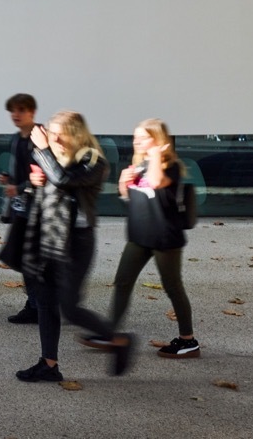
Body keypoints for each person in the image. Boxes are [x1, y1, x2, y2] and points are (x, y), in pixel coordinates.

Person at [16, 110, 132, 381]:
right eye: (51, 131)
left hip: (76, 242)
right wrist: (33, 185)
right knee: (45, 301)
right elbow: (48, 189)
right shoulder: (52, 157)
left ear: (76, 134)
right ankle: (49, 364)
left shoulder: (94, 161)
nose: (53, 137)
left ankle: (118, 340)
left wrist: (44, 152)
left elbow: (65, 180)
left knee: (69, 307)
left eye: (60, 132)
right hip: (50, 236)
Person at [94, 119, 198, 359]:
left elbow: (158, 183)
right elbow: (133, 198)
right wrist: (123, 184)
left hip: (165, 237)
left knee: (173, 287)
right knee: (122, 281)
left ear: (158, 140)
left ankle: (188, 340)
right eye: (135, 137)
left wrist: (153, 157)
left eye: (143, 137)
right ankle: (110, 332)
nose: (136, 141)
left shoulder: (170, 166)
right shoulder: (139, 165)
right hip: (141, 235)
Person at [0, 93, 41, 324]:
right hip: (22, 207)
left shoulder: (40, 138)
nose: (16, 115)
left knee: (22, 257)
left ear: (32, 111)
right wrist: (9, 179)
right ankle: (35, 303)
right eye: (13, 110)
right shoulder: (16, 139)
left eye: (21, 110)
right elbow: (21, 171)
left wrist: (20, 187)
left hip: (39, 208)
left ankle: (39, 304)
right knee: (20, 257)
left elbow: (45, 175)